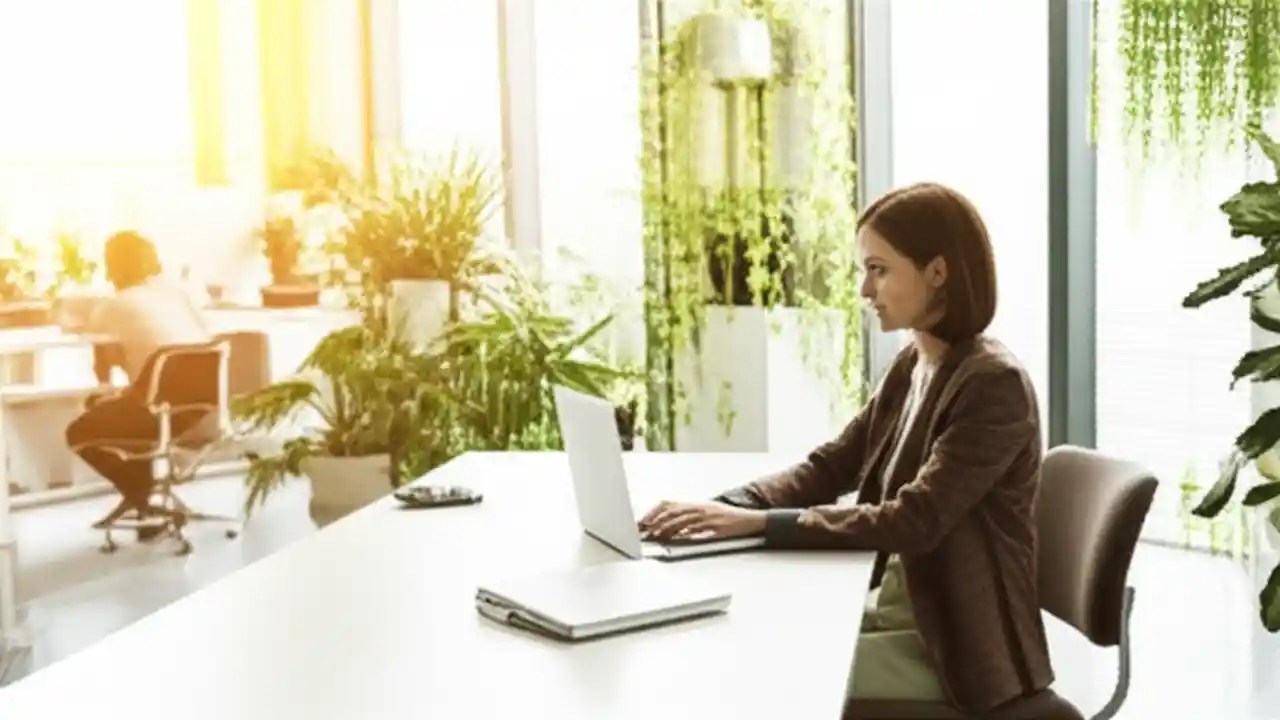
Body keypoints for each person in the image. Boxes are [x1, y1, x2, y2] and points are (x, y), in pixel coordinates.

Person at [638, 182, 1054, 715]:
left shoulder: (993, 385)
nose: (864, 289)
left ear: (937, 272)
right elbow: (832, 465)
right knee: (741, 633)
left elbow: (915, 520)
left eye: (879, 269)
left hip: (949, 649)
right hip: (896, 614)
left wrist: (761, 527)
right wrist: (732, 506)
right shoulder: (915, 364)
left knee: (752, 666)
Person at [64, 231, 213, 527]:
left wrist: (104, 392)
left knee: (80, 430)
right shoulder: (178, 295)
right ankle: (148, 498)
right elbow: (207, 339)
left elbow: (101, 362)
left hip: (156, 412)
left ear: (114, 267)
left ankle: (142, 493)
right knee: (133, 406)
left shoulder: (113, 305)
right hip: (205, 408)